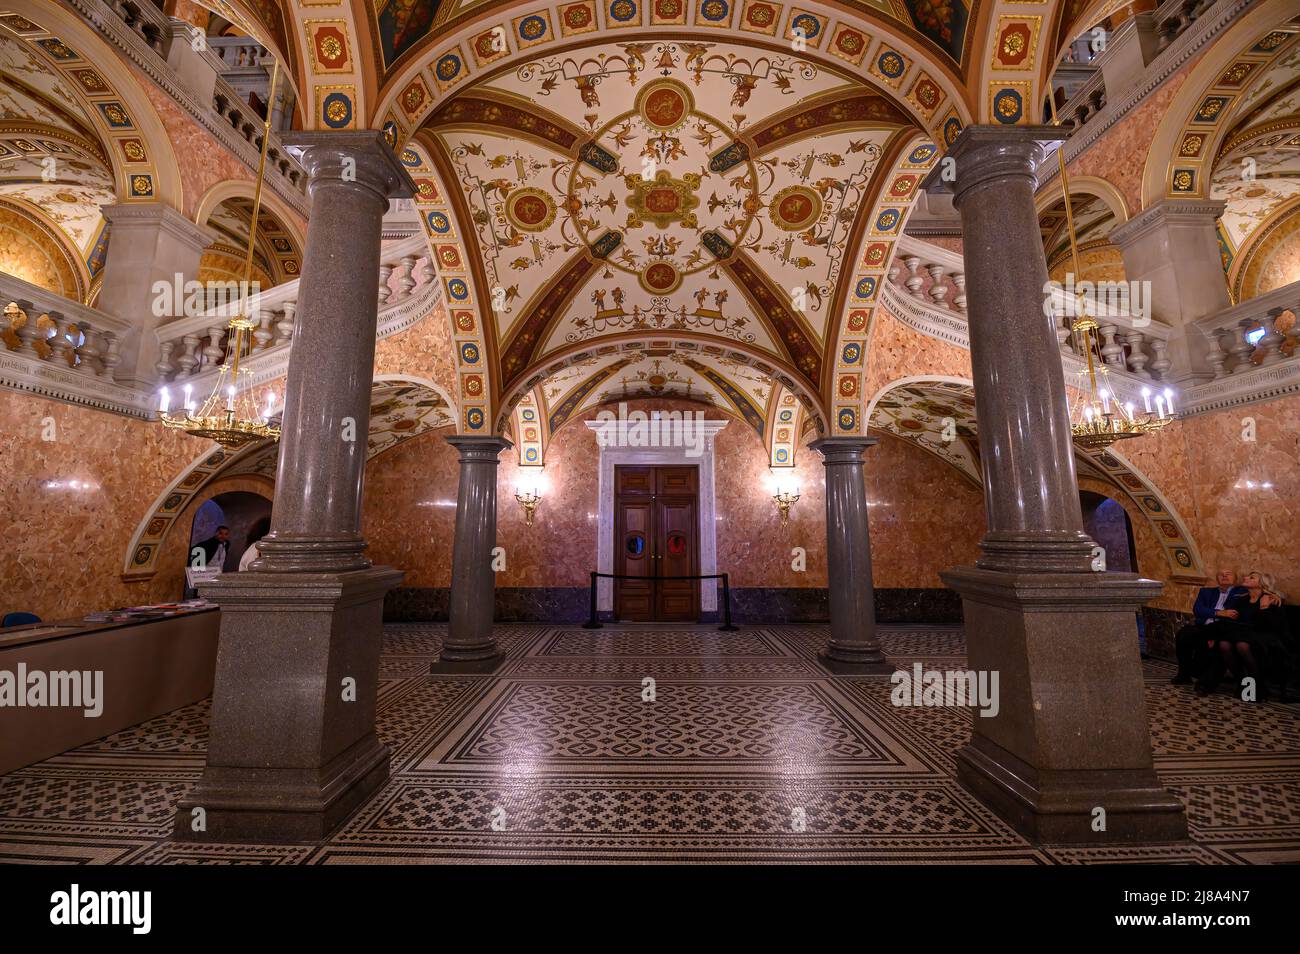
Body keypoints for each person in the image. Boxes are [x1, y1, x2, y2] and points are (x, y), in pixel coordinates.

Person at [1197, 571, 1287, 699]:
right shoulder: (1242, 599)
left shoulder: (1271, 598)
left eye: (1252, 577)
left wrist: (1264, 607)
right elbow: (1233, 621)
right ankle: (1242, 681)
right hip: (1243, 633)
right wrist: (1214, 635)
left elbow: (1269, 626)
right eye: (1247, 576)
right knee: (1223, 644)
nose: (1245, 578)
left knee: (1242, 645)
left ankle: (1257, 686)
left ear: (1261, 583)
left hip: (1264, 635)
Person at [1172, 569, 1246, 685]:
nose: (1224, 575)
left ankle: (1204, 677)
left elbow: (1261, 592)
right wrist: (1218, 613)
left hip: (1224, 628)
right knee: (1183, 634)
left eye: (1228, 574)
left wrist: (1273, 596)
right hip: (1204, 626)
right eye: (1221, 574)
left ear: (1235, 579)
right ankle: (1184, 674)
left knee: (1205, 641)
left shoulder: (1241, 592)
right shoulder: (1206, 592)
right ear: (1217, 579)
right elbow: (1198, 610)